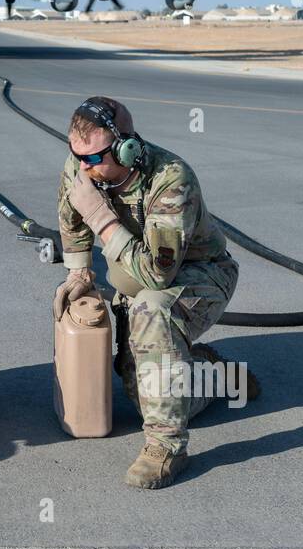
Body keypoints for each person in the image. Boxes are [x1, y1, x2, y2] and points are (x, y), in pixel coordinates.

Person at [54, 97, 257, 489]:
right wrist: (79, 272)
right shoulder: (84, 165)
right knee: (140, 390)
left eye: (93, 158)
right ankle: (218, 378)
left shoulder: (171, 179)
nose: (82, 167)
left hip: (202, 275)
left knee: (152, 311)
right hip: (141, 276)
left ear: (126, 148)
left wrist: (99, 213)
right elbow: (71, 213)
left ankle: (166, 447)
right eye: (74, 154)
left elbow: (156, 274)